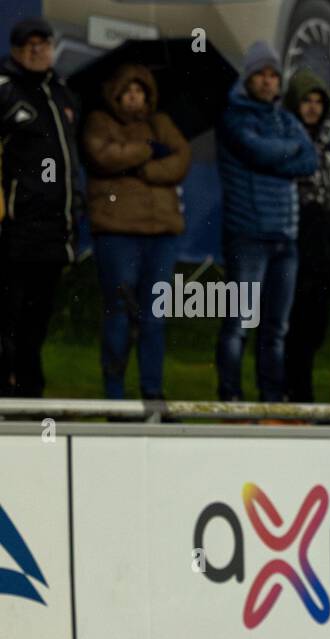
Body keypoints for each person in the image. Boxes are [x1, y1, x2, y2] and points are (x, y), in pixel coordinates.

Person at [81, 63, 190, 401]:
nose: (133, 97)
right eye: (128, 91)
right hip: (118, 232)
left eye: (139, 91)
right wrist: (149, 151)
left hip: (162, 235)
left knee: (155, 315)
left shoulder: (162, 123)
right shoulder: (99, 121)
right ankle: (115, 395)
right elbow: (104, 155)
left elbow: (181, 158)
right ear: (116, 94)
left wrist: (143, 168)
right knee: (120, 312)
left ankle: (152, 391)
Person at [215, 41, 317, 402]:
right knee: (240, 324)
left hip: (285, 237)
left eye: (274, 75)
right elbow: (255, 150)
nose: (268, 81)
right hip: (247, 236)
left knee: (276, 327)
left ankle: (271, 400)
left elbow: (310, 162)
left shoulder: (286, 119)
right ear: (249, 78)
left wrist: (274, 154)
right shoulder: (233, 118)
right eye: (261, 74)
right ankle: (230, 399)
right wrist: (286, 150)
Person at [0, 17, 78, 397]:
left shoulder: (61, 93)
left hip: (54, 230)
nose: (36, 50)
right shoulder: (4, 89)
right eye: (27, 44)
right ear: (15, 51)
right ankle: (7, 388)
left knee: (37, 317)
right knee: (8, 314)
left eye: (42, 43)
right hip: (13, 229)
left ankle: (29, 391)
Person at [282, 68, 330, 404]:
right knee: (289, 325)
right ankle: (287, 394)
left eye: (319, 101)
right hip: (293, 244)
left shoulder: (327, 153)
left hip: (322, 251)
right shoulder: (285, 145)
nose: (313, 107)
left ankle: (301, 395)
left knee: (313, 327)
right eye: (306, 100)